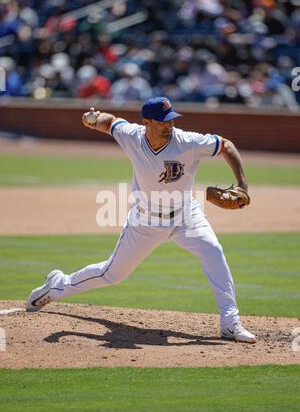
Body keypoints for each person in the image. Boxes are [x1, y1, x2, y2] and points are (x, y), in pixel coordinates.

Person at [26, 96, 256, 343]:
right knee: (112, 275)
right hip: (145, 222)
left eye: (171, 120)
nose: (169, 125)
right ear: (147, 122)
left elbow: (226, 145)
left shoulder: (188, 141)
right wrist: (93, 119)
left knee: (213, 251)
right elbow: (110, 122)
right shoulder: (133, 136)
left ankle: (230, 323)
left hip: (186, 215)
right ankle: (58, 284)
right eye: (162, 121)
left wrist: (243, 185)